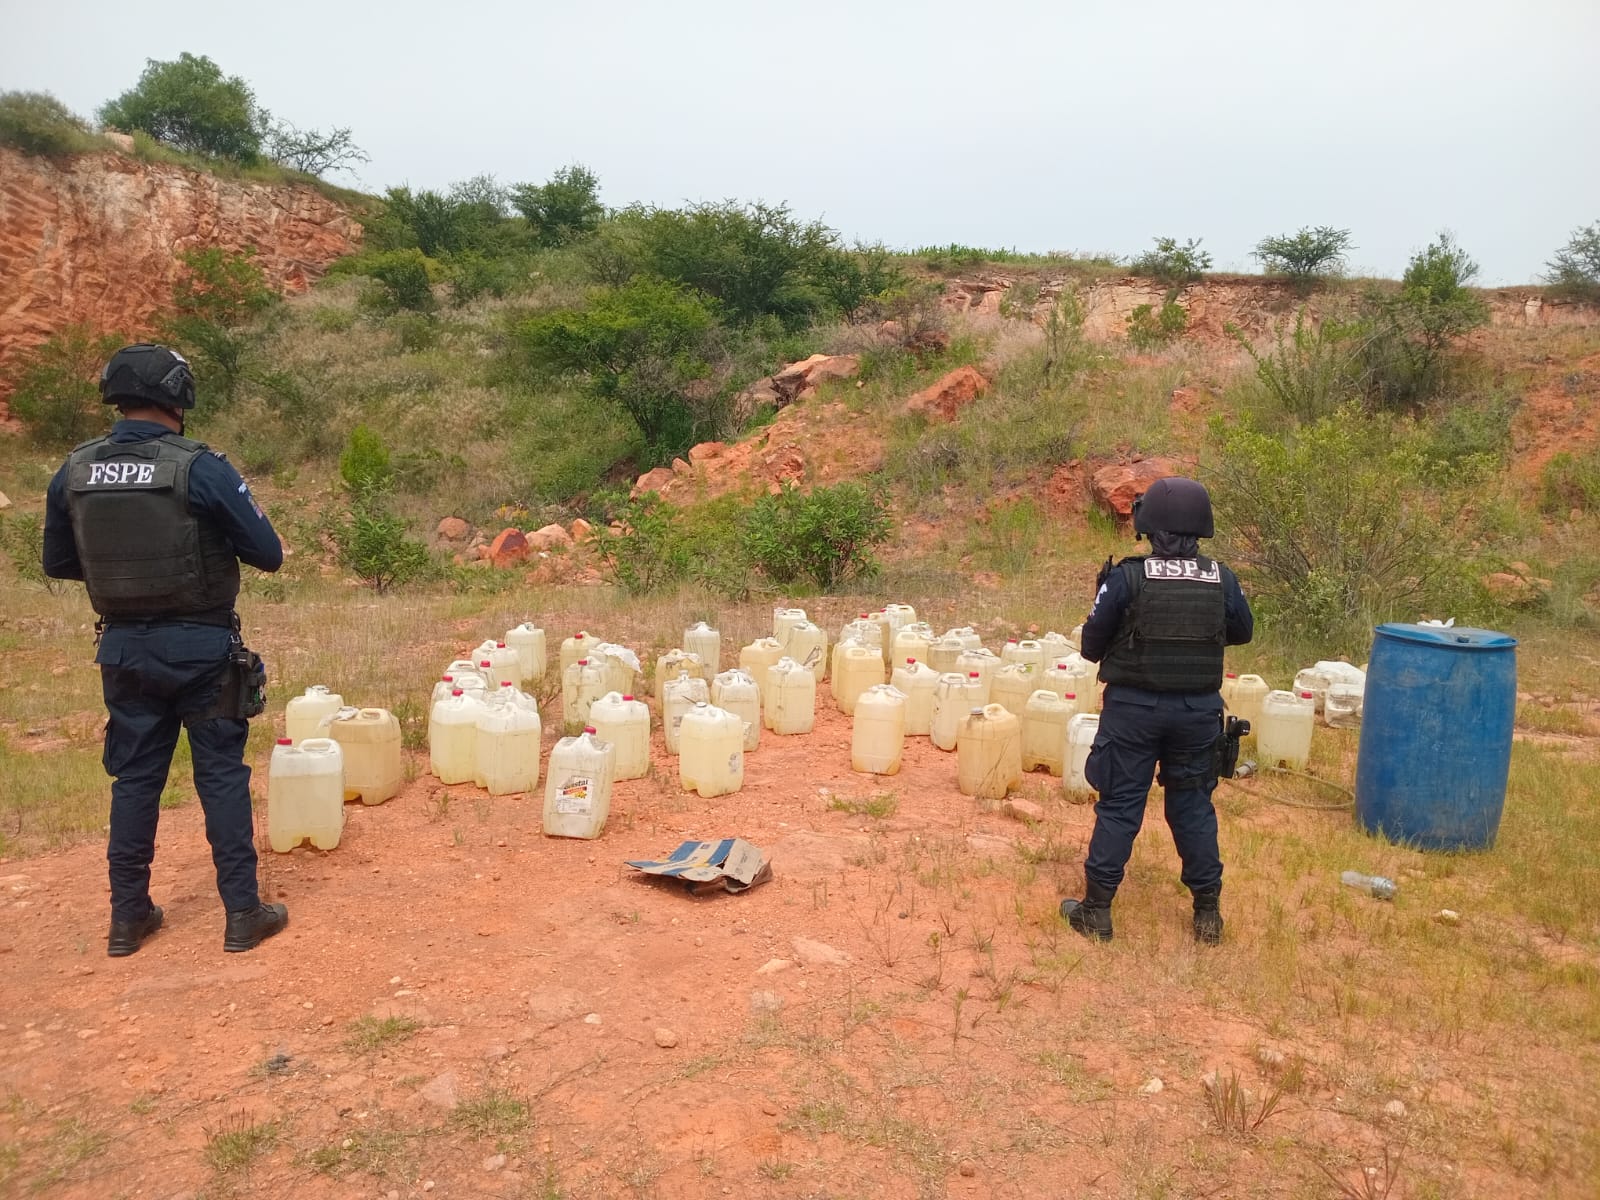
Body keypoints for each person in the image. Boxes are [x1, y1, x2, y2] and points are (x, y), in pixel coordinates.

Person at [43, 343, 289, 957]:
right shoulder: (199, 467)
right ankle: (241, 914)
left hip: (123, 649)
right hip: (202, 647)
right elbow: (269, 553)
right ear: (179, 396)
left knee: (134, 779)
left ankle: (128, 919)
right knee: (221, 777)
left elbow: (58, 561)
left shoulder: (73, 471)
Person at [1060, 476, 1253, 945]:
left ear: (1150, 527)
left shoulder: (1127, 577)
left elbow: (1090, 646)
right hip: (1197, 712)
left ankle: (1098, 911)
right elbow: (1242, 631)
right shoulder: (1221, 578)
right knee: (1192, 808)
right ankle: (1207, 914)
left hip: (1133, 710)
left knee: (1121, 805)